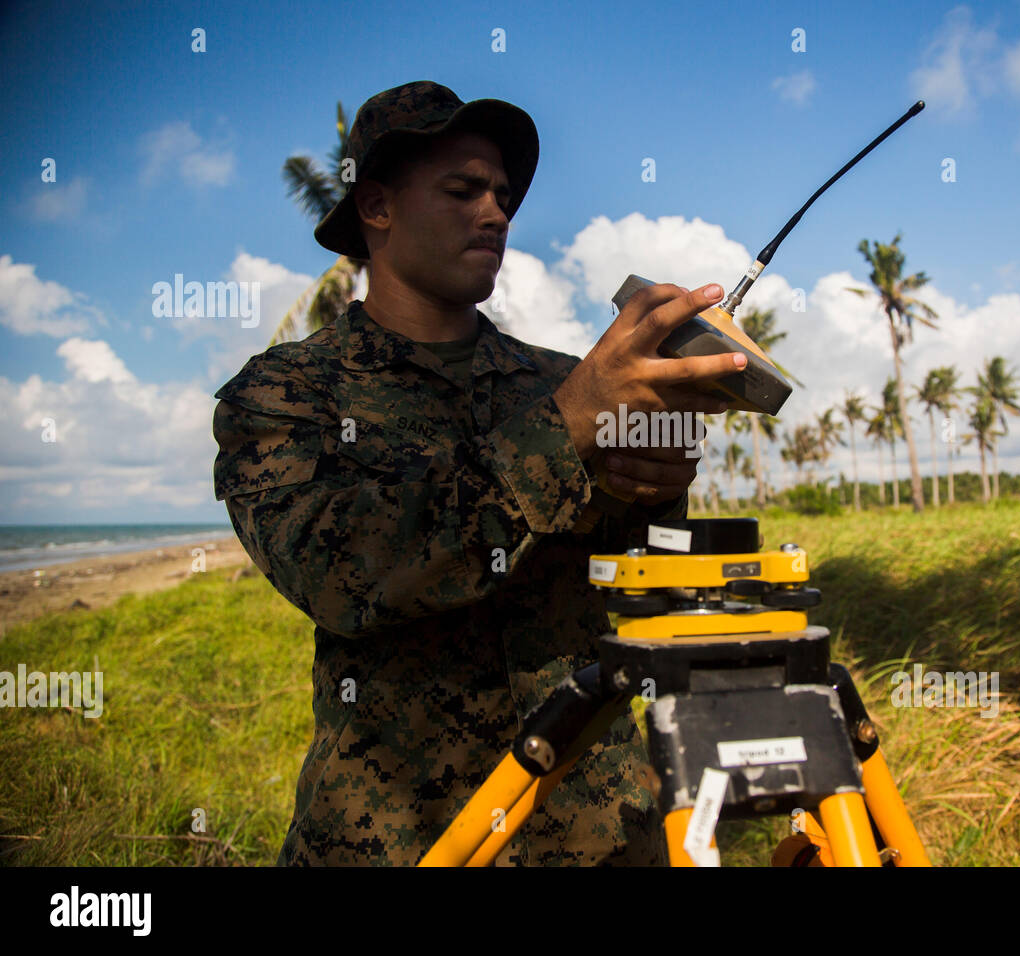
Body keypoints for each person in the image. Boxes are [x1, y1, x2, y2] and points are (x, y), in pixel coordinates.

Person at [211, 80, 745, 865]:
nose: (495, 213)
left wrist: (661, 486)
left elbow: (655, 587)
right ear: (377, 208)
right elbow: (344, 575)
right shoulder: (286, 392)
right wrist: (568, 426)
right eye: (463, 190)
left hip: (598, 832)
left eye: (502, 195)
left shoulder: (564, 380)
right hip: (393, 837)